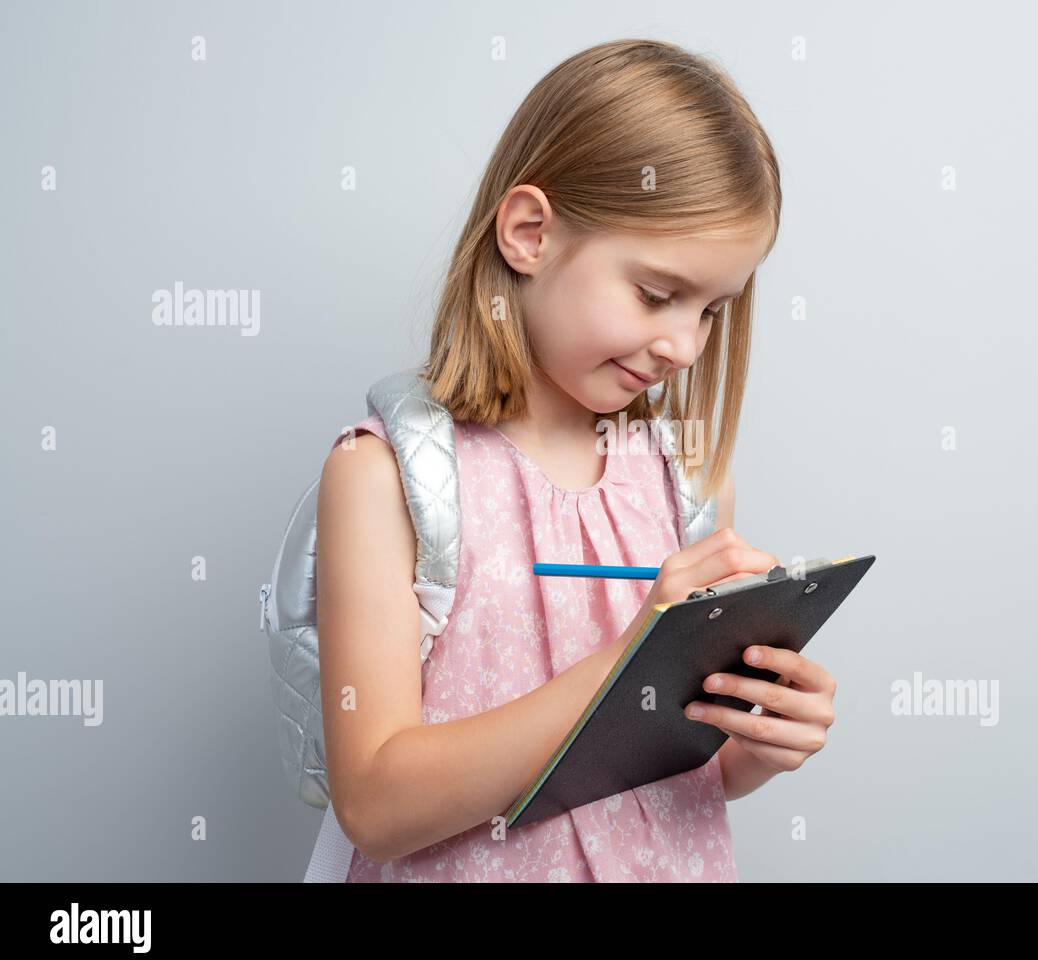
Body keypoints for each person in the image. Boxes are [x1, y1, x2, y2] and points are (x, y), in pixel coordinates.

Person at [314, 38, 838, 882]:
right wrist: (628, 660)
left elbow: (668, 777)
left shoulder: (689, 483)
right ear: (529, 234)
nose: (683, 345)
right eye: (657, 294)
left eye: (712, 311)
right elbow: (377, 807)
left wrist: (758, 743)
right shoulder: (386, 481)